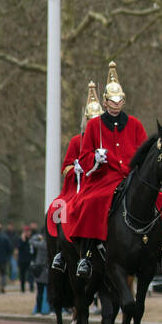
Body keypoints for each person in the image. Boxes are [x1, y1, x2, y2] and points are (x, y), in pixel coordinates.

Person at [62, 62, 150, 280]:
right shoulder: (94, 127)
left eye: (119, 100)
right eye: (111, 100)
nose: (116, 104)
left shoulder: (136, 125)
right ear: (105, 102)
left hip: (130, 177)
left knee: (155, 197)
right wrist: (95, 158)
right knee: (93, 202)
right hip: (104, 179)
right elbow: (82, 157)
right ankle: (87, 252)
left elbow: (144, 152)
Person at [49, 81, 102, 258]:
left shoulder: (105, 141)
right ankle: (60, 250)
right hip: (78, 186)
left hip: (102, 183)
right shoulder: (76, 141)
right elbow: (65, 168)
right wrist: (76, 168)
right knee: (57, 209)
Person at [27, 226, 50, 314]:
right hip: (48, 271)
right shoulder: (51, 245)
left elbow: (31, 241)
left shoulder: (41, 244)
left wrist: (38, 236)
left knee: (39, 293)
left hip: (40, 271)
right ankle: (51, 310)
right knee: (49, 293)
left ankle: (39, 311)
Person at [17, 222, 35, 292]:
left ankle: (31, 287)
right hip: (22, 260)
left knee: (31, 275)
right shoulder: (20, 240)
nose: (27, 233)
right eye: (26, 232)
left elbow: (31, 250)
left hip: (30, 259)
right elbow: (20, 248)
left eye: (28, 231)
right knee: (22, 275)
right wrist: (23, 241)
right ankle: (22, 289)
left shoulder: (32, 239)